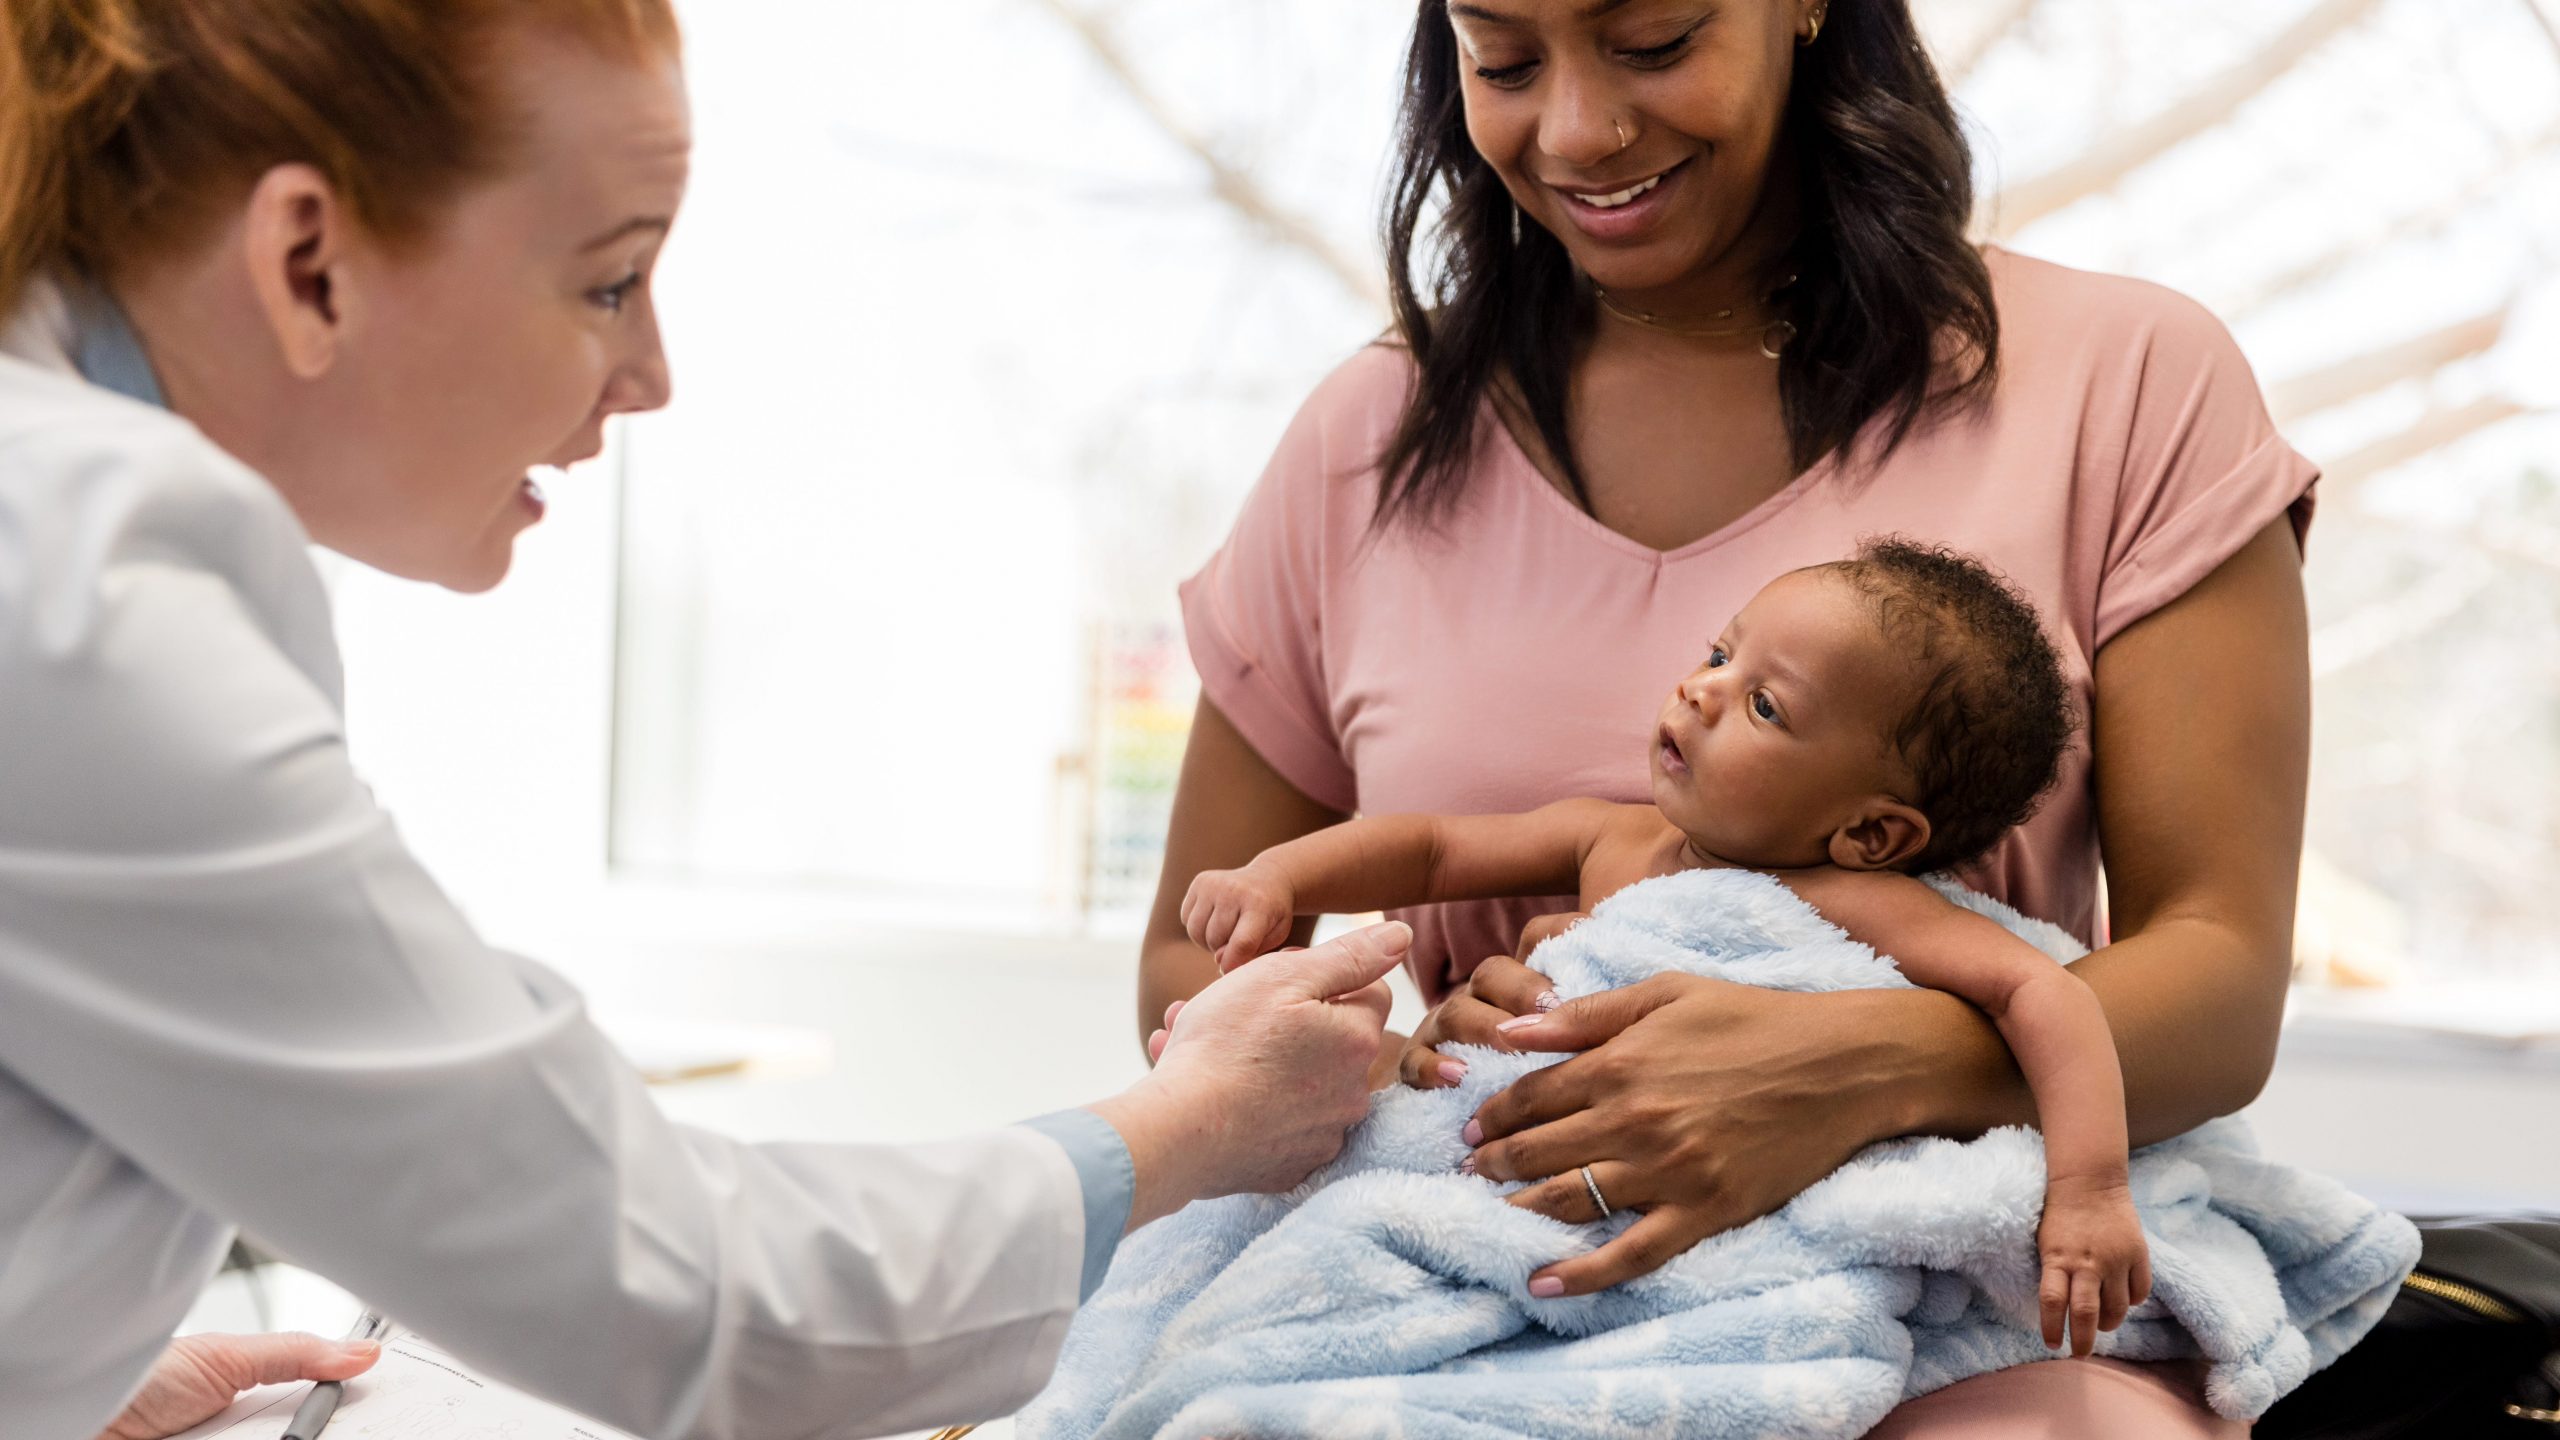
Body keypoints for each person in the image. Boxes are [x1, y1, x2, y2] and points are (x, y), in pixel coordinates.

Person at [0, 4, 1407, 1438]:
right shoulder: (86, 593)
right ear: (309, 265)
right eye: (609, 282)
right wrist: (1190, 1124)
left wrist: (51, 1369)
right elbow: (666, 1277)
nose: (652, 375)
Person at [1141, 0, 2314, 1432]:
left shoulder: (2125, 382)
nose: (1577, 131)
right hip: (1475, 1270)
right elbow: (1193, 957)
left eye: (1653, 40)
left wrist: (1847, 1072)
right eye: (1502, 58)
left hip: (1945, 1315)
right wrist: (1419, 1086)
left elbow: (2221, 975)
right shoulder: (1368, 437)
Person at [1183, 540, 2151, 1358]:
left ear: (1869, 832)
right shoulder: (1615, 837)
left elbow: (2044, 992)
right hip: (1526, 1164)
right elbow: (1433, 848)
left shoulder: (1863, 903)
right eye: (1720, 654)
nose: (1701, 689)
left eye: (1765, 705)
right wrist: (1280, 878)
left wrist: (2090, 1190)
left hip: (1710, 1226)